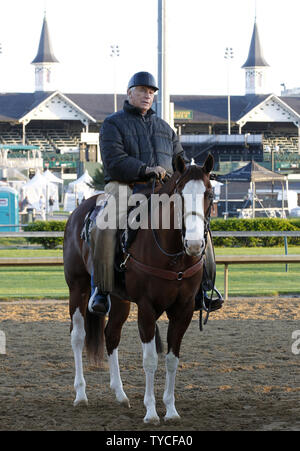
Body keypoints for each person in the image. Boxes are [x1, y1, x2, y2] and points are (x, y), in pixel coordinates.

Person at [88, 71, 222, 315]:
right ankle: (102, 291)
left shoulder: (165, 128)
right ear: (129, 93)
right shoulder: (112, 124)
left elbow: (179, 163)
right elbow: (114, 160)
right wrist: (145, 169)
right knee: (104, 226)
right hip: (124, 186)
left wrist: (198, 175)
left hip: (163, 190)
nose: (147, 95)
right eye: (141, 90)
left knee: (200, 226)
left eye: (151, 92)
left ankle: (204, 289)